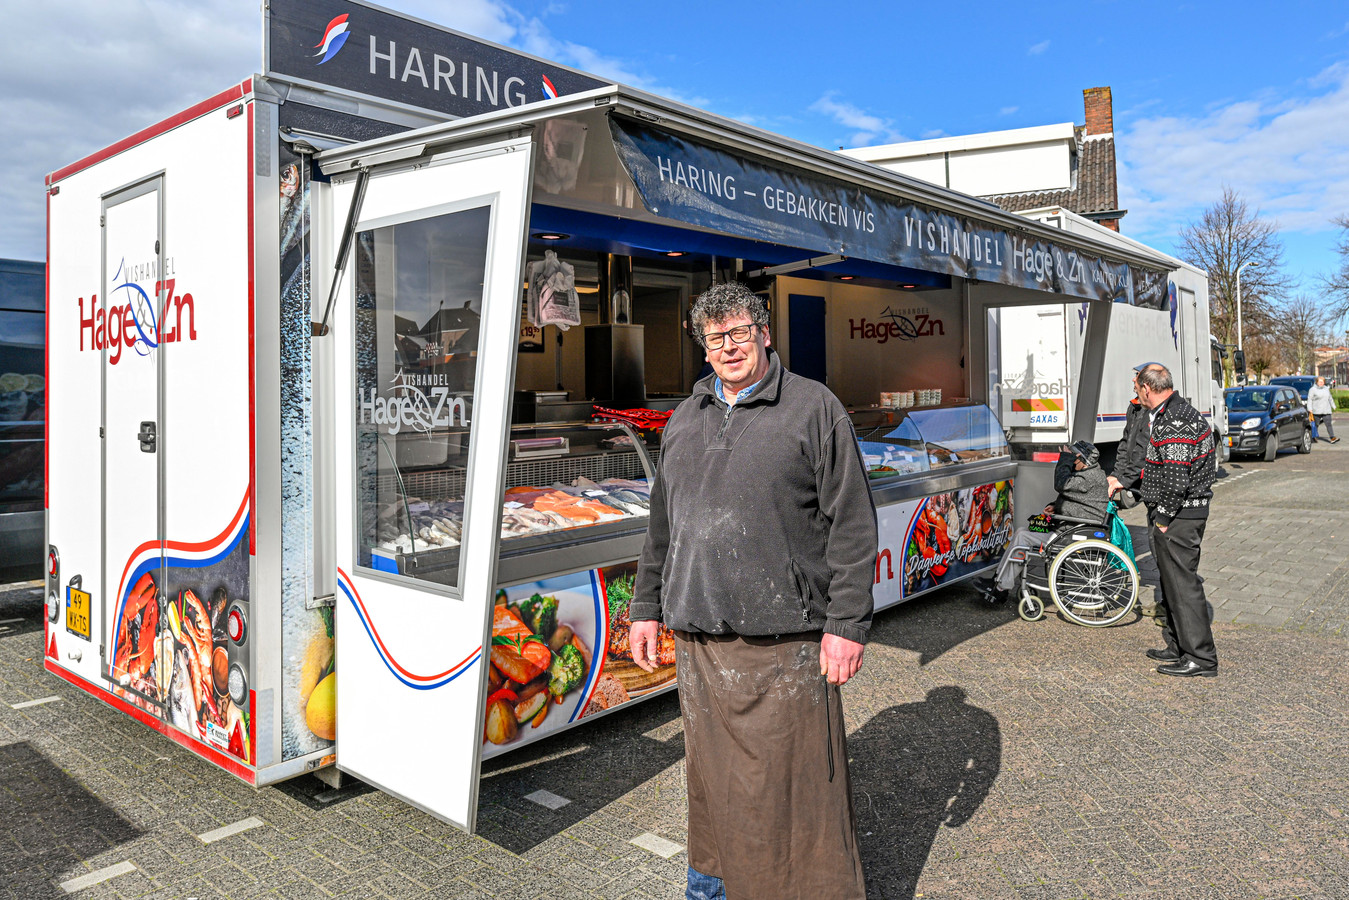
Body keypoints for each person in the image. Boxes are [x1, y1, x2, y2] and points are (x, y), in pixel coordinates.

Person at [630, 282, 876, 900]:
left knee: (792, 789)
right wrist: (644, 609)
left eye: (740, 332)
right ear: (704, 348)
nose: (729, 346)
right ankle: (710, 886)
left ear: (765, 333)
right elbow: (663, 525)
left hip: (786, 639)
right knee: (710, 783)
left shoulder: (814, 408)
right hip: (697, 638)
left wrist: (846, 624)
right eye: (715, 338)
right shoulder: (685, 419)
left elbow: (852, 523)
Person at [1136, 364, 1219, 677]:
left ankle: (1201, 658)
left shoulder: (1175, 419)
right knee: (1172, 583)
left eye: (1137, 388)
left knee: (1183, 586)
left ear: (1147, 388)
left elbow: (1175, 478)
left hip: (1180, 516)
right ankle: (1179, 645)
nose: (1137, 394)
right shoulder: (1173, 414)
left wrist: (1163, 518)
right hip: (1180, 513)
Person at [981, 440, 1108, 601]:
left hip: (1073, 532)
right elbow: (1080, 500)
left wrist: (1064, 459)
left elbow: (1061, 484)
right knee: (1021, 532)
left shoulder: (1088, 477)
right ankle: (998, 579)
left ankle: (1000, 587)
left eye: (1074, 460)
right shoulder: (1093, 474)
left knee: (1022, 538)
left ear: (1081, 460)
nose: (1072, 464)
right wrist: (1055, 506)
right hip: (1075, 527)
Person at [1106, 362, 1158, 499]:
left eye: (1137, 376)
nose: (1133, 379)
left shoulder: (1152, 410)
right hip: (1137, 478)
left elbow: (1143, 447)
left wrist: (1126, 479)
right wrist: (1117, 474)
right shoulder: (1134, 406)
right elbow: (1125, 442)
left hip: (1151, 481)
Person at [1308, 376, 1338, 444]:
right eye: (1320, 382)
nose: (1321, 383)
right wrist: (1310, 409)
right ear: (1317, 382)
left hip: (1326, 410)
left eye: (1322, 382)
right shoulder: (1312, 389)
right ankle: (1313, 437)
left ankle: (1332, 437)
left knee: (1328, 424)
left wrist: (1333, 406)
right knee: (1316, 425)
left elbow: (1330, 398)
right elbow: (1310, 399)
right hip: (1316, 410)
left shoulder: (1326, 389)